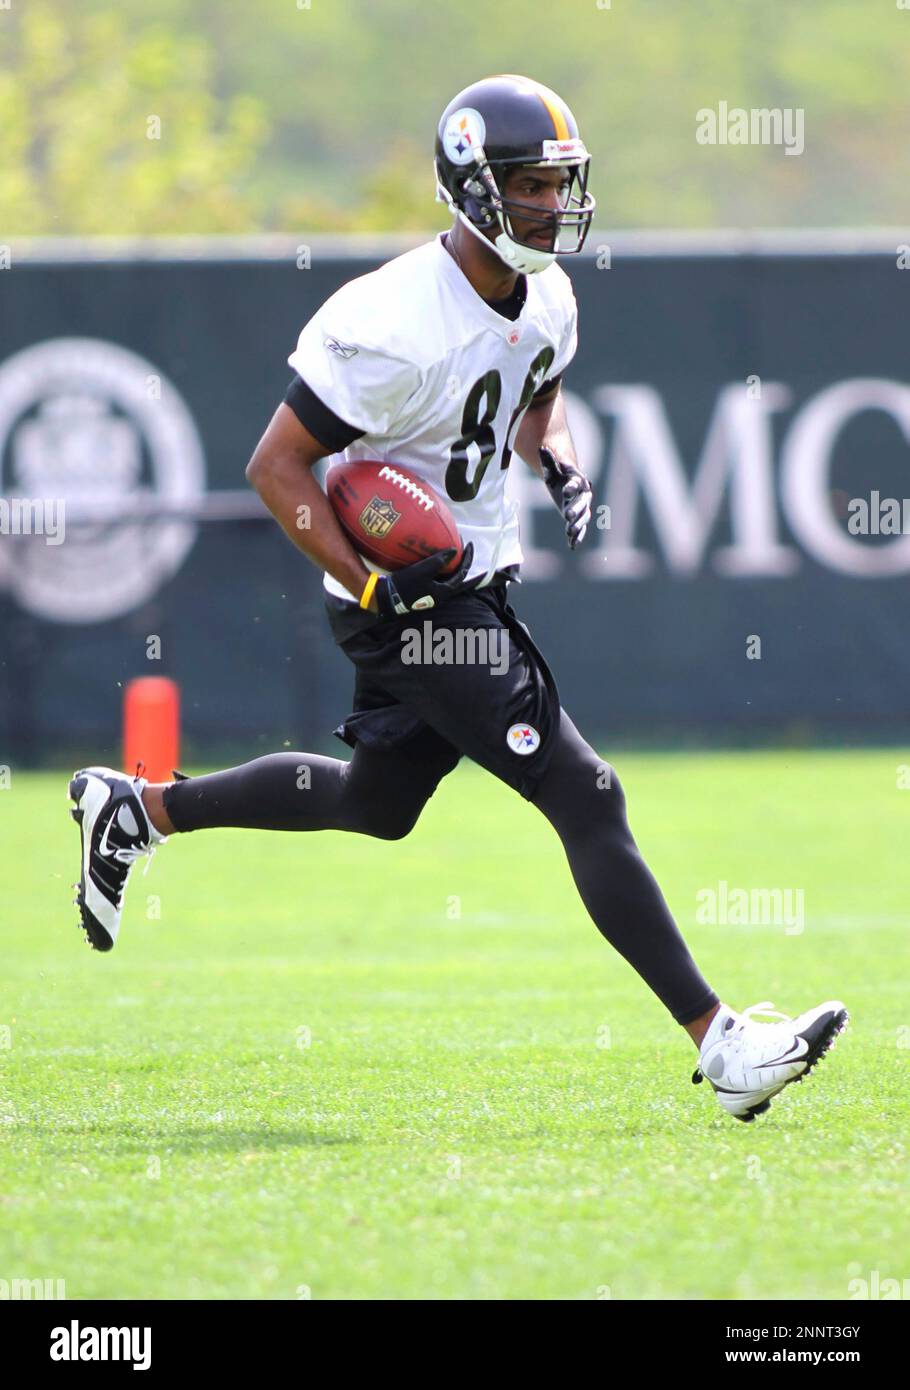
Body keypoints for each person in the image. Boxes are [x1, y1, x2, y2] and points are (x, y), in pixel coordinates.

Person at [68, 74, 847, 1122]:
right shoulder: (387, 319)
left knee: (372, 803)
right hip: (410, 601)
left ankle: (140, 809)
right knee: (587, 792)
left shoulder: (549, 295)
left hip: (471, 577)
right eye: (529, 185)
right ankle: (723, 1044)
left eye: (561, 183)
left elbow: (536, 400)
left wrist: (558, 461)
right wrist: (375, 582)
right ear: (472, 189)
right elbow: (277, 467)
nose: (552, 206)